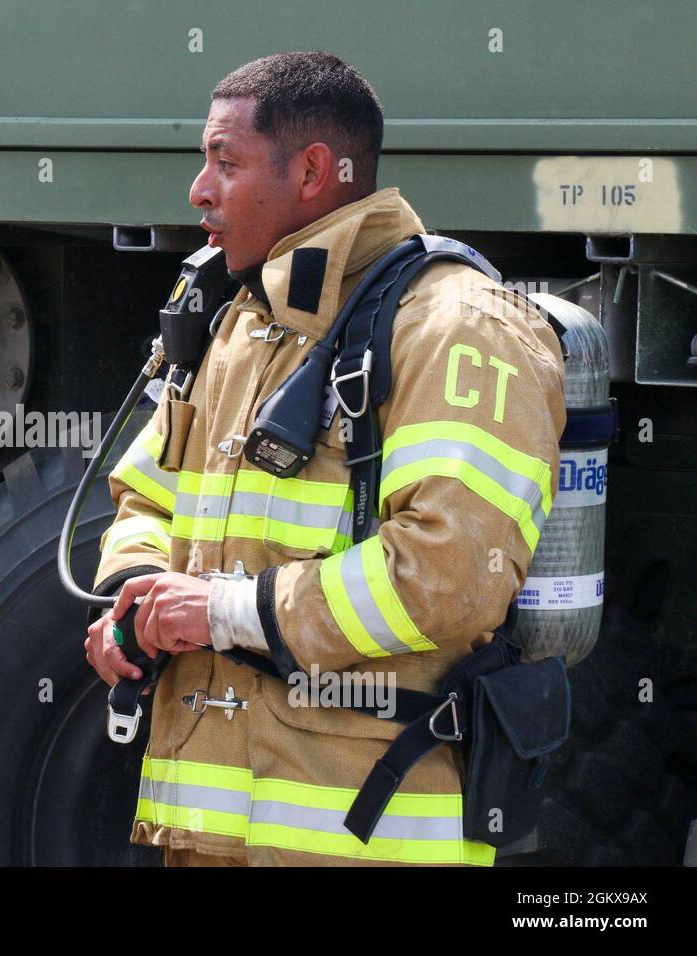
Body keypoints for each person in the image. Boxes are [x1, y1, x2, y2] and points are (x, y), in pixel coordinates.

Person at [85, 52, 565, 866]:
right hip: (206, 833)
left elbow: (449, 575)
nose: (199, 191)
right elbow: (148, 496)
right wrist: (134, 601)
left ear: (312, 171)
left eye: (224, 163)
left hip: (362, 842)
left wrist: (224, 611)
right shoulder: (238, 323)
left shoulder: (455, 325)